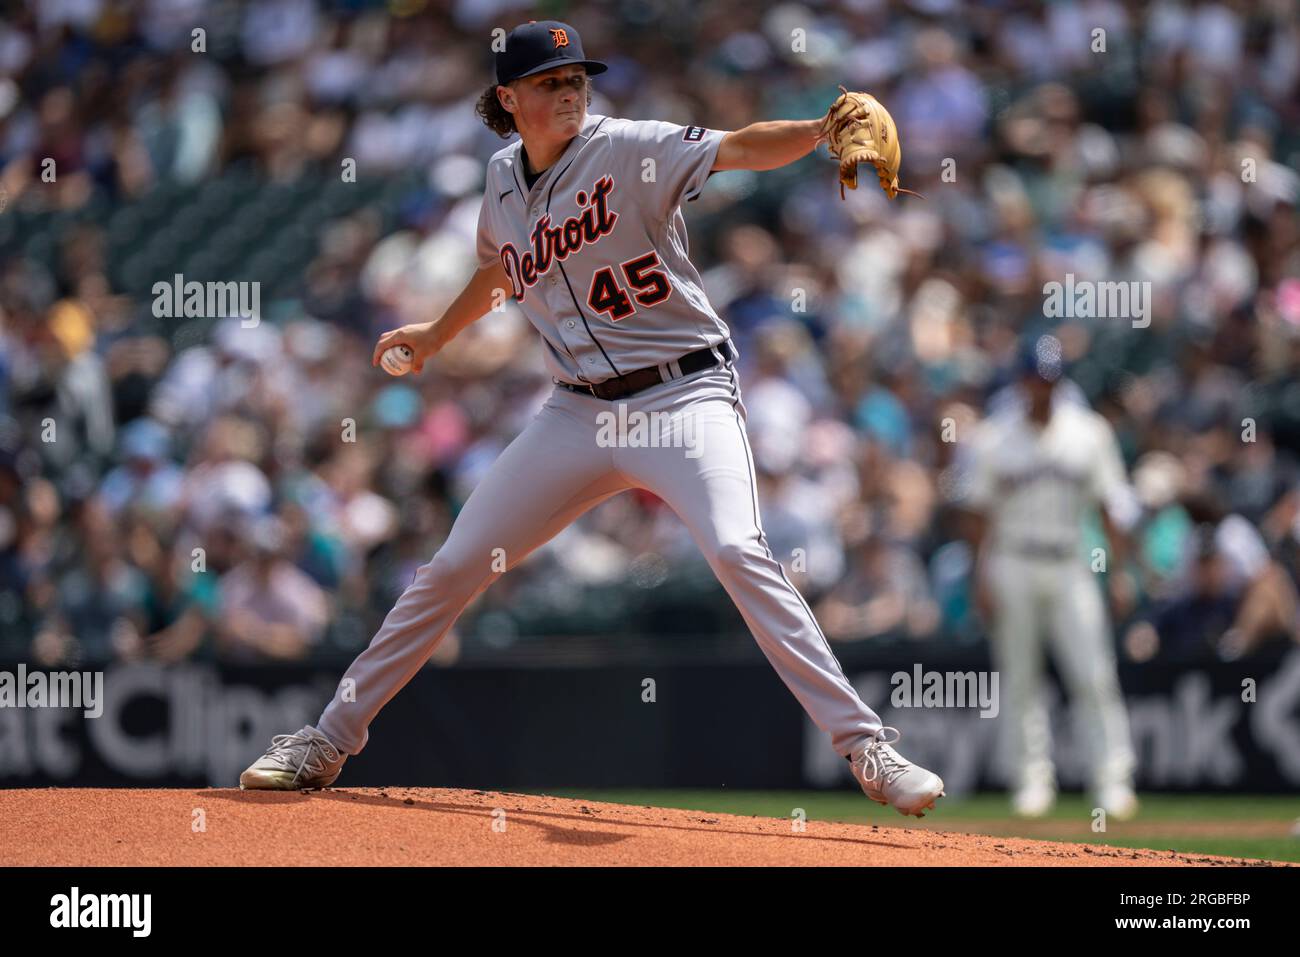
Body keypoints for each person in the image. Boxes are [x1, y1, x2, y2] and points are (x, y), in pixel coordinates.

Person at [239, 19, 945, 817]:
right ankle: (326, 741)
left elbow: (742, 145)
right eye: (550, 82)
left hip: (683, 397)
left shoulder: (630, 147)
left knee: (740, 551)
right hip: (577, 413)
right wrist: (438, 333)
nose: (571, 91)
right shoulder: (502, 181)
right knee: (453, 566)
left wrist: (820, 130)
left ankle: (868, 748)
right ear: (509, 98)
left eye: (577, 78)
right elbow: (499, 269)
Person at [962, 334, 1139, 820]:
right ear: (1021, 379)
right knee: (1020, 678)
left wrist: (1119, 573)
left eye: (1051, 378)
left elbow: (1109, 508)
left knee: (1093, 674)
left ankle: (1112, 781)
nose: (1042, 387)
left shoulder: (1089, 432)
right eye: (1035, 378)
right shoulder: (993, 436)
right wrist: (980, 577)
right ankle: (1032, 781)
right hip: (1012, 560)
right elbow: (978, 517)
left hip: (1070, 559)